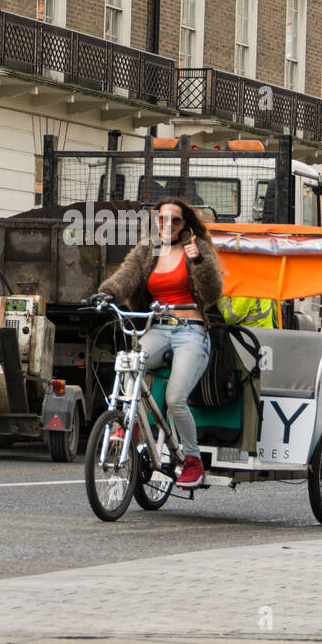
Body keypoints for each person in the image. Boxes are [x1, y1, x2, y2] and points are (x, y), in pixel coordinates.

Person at [90, 196, 224, 488]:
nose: (167, 225)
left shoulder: (195, 248)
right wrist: (107, 293)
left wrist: (198, 261)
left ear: (184, 223)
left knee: (176, 398)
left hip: (191, 330)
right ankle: (125, 425)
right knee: (127, 363)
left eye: (174, 220)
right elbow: (128, 275)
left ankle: (192, 460)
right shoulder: (150, 248)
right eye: (162, 219)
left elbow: (213, 290)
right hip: (159, 328)